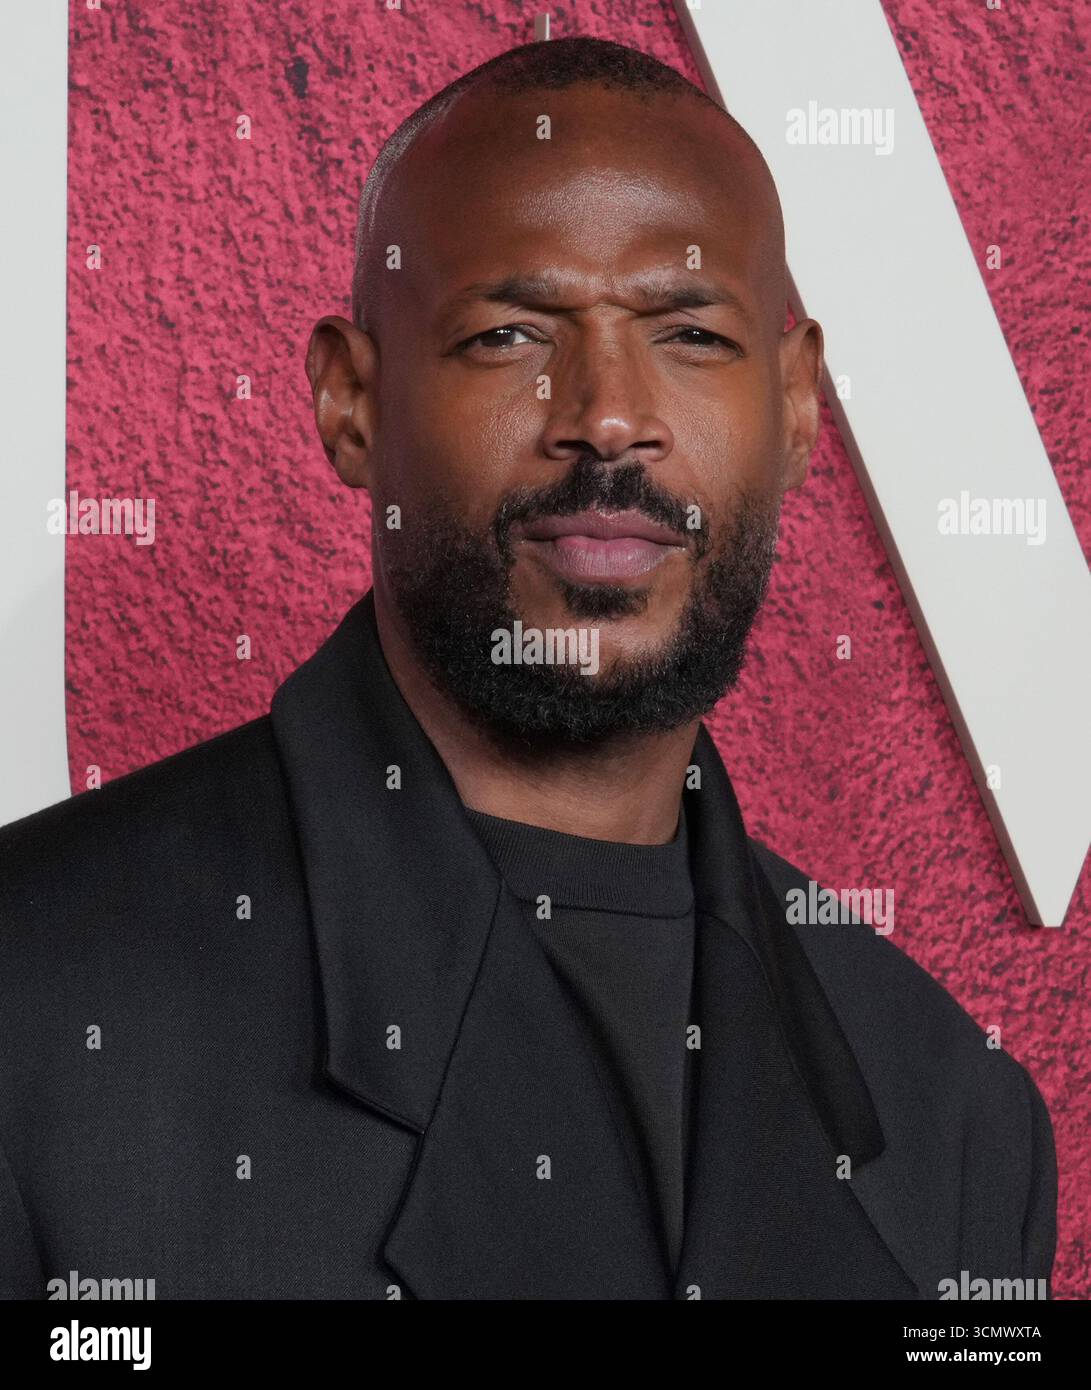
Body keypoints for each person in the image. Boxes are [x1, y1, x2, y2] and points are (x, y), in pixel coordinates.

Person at [0, 36, 1056, 1300]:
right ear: (350, 400)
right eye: (508, 334)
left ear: (793, 409)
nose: (606, 414)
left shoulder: (954, 1114)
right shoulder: (37, 1006)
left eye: (690, 336)